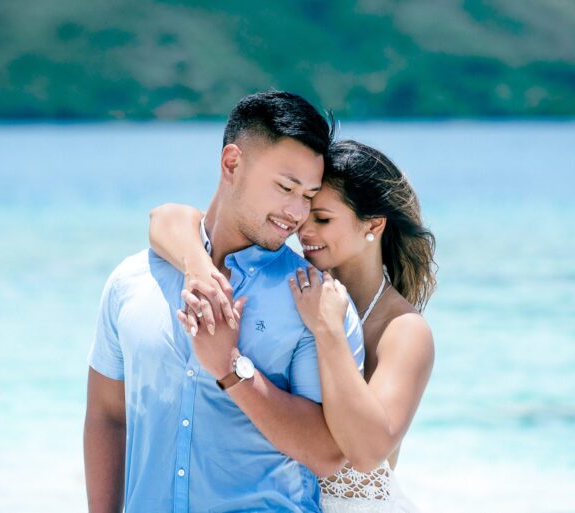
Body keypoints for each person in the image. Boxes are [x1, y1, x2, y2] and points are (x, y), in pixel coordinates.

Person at [84, 91, 364, 513]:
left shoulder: (316, 301)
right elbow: (108, 415)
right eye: (285, 187)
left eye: (307, 196)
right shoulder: (132, 281)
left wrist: (231, 370)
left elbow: (327, 453)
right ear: (232, 163)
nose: (295, 213)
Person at [150, 140, 436, 512]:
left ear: (374, 225)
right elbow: (165, 217)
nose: (304, 229)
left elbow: (365, 452)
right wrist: (200, 268)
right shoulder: (297, 284)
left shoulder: (404, 329)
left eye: (323, 219)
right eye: (305, 213)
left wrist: (330, 332)